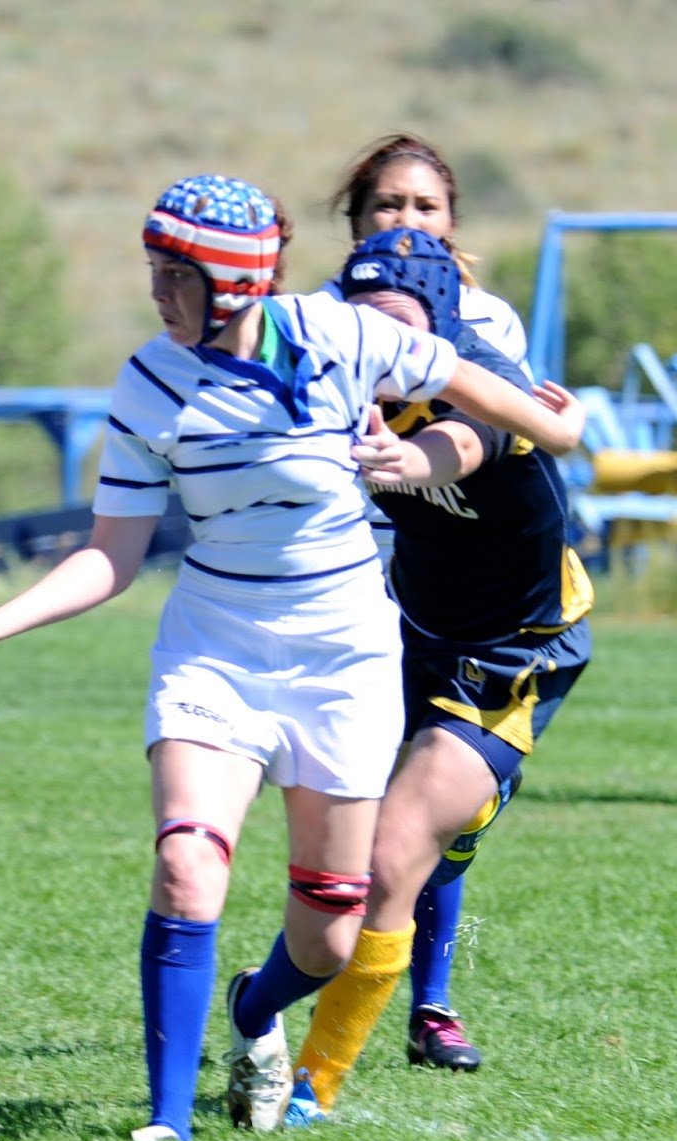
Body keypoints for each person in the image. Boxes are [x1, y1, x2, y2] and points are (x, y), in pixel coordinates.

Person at [0, 174, 584, 1141]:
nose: (158, 292)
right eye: (153, 270)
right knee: (184, 866)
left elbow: (470, 388)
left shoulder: (343, 336)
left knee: (331, 931)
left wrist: (560, 426)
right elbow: (110, 551)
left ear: (235, 279)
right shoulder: (147, 381)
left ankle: (254, 1009)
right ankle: (167, 1122)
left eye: (176, 273)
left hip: (343, 654)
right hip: (215, 645)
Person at [284, 227, 593, 1126]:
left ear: (437, 321)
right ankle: (254, 1009)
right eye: (361, 319)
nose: (379, 341)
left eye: (397, 321)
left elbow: (468, 442)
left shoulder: (475, 370)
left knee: (392, 858)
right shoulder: (334, 374)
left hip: (515, 648)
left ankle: (310, 1089)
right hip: (406, 629)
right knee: (344, 858)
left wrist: (405, 462)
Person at [326, 132, 535, 1072]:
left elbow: (498, 440)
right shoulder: (318, 328)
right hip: (346, 587)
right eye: (386, 207)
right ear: (355, 225)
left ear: (453, 228)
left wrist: (419, 461)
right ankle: (329, 972)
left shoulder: (486, 327)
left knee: (430, 816)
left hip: (458, 596)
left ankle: (432, 1004)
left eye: (425, 207)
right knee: (360, 805)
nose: (406, 221)